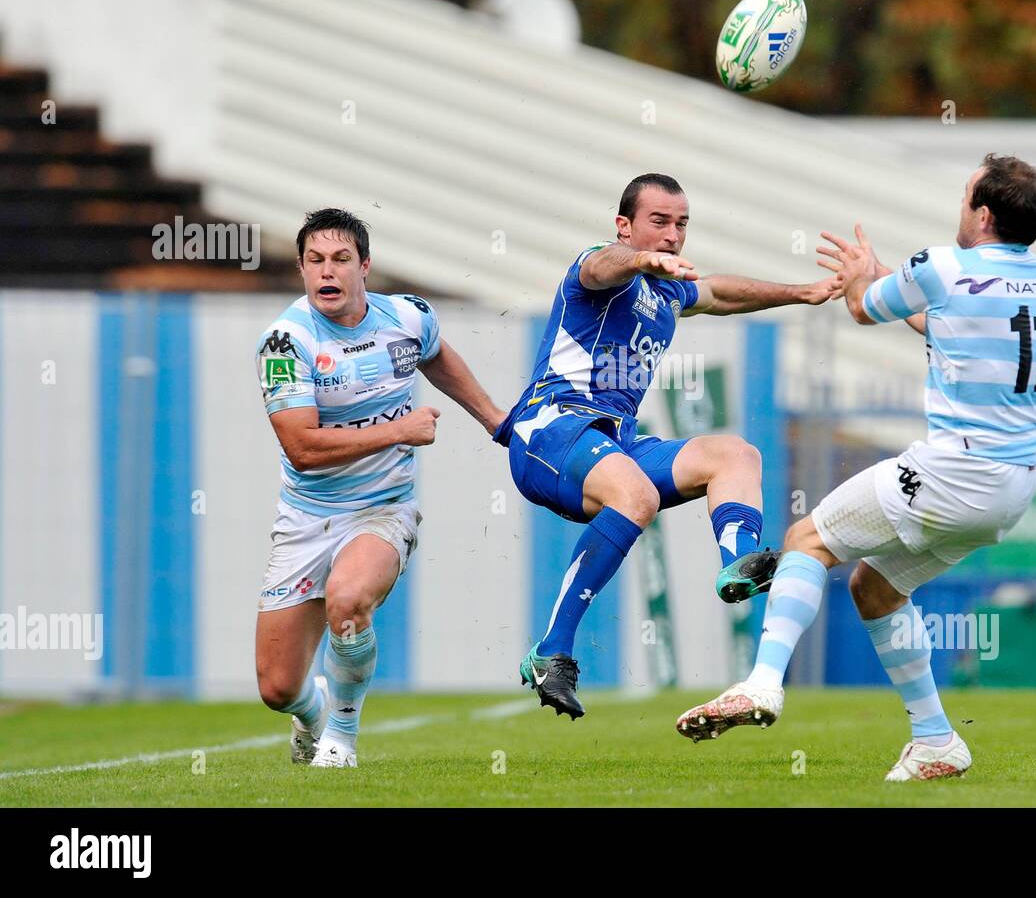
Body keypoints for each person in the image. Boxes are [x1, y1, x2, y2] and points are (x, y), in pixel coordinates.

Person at [677, 154, 1036, 782]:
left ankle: (762, 684)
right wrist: (882, 275)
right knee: (875, 588)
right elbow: (942, 322)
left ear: (983, 213)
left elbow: (862, 309)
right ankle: (936, 740)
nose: (958, 205)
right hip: (1013, 487)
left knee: (807, 539)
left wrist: (861, 276)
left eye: (966, 196)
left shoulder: (940, 264)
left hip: (953, 475)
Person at [493, 172, 843, 719]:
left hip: (613, 440)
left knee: (736, 454)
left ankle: (736, 567)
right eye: (658, 222)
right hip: (551, 428)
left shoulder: (670, 290)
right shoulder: (599, 269)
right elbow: (603, 264)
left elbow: (721, 292)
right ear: (624, 225)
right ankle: (551, 650)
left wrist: (801, 292)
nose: (672, 235)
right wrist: (638, 260)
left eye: (681, 224)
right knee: (636, 496)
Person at [255, 208, 504, 767]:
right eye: (315, 260)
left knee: (349, 601)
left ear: (364, 267)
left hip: (382, 509)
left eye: (341, 259)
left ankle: (341, 740)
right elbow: (301, 446)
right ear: (300, 269)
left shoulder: (406, 318)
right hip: (306, 518)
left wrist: (493, 418)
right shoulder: (284, 342)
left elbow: (437, 356)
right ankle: (313, 713)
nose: (328, 271)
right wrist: (401, 430)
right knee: (277, 689)